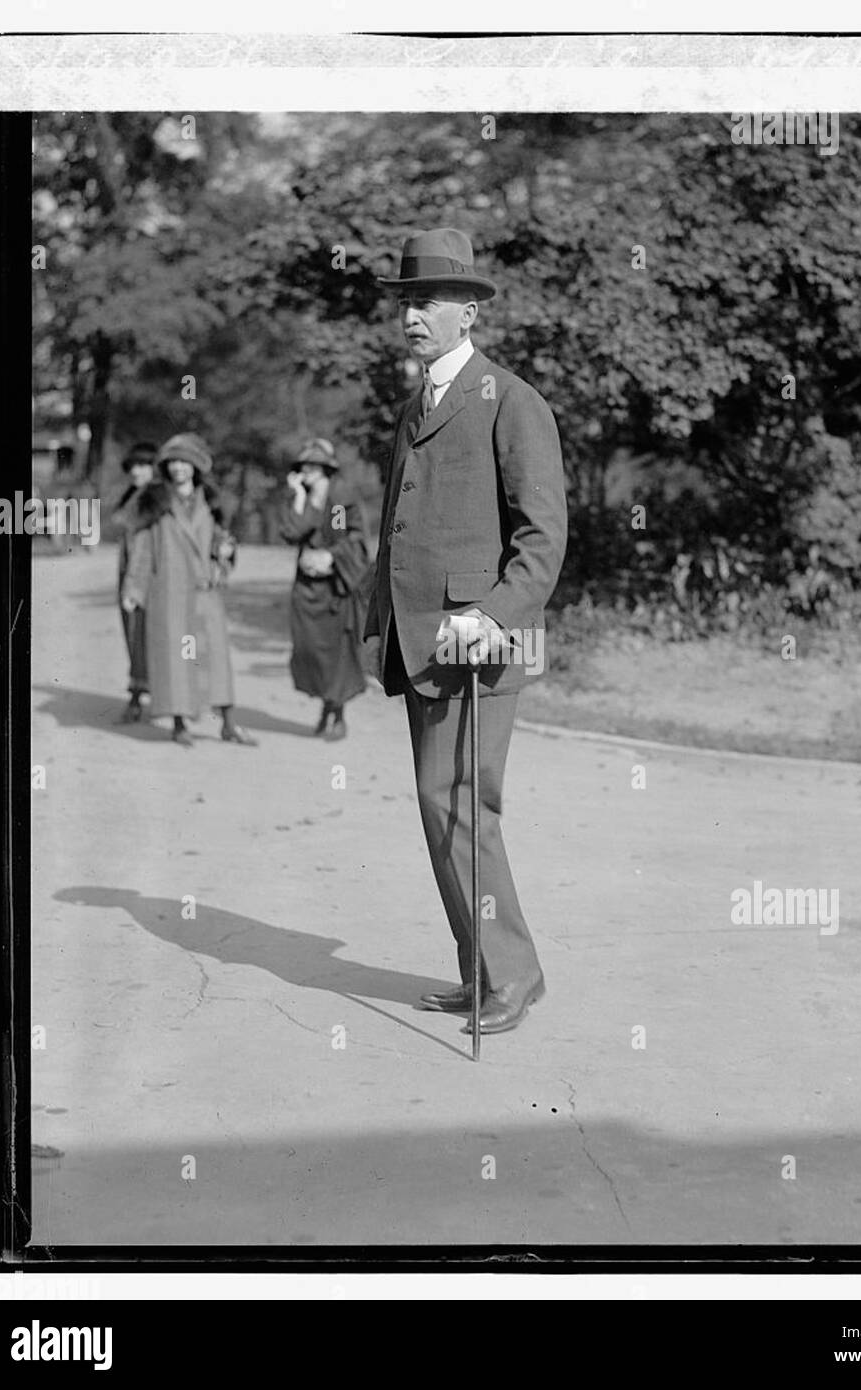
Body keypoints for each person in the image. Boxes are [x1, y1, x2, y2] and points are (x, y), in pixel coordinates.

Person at [365, 227, 568, 1036]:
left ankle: (513, 976)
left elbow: (542, 537)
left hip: (475, 643)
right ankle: (482, 972)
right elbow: (400, 526)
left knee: (459, 806)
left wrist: (492, 617)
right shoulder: (418, 403)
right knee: (437, 803)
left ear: (469, 312)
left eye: (427, 302)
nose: (412, 315)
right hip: (420, 640)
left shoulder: (512, 402)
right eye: (406, 302)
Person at [121, 432, 257, 749]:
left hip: (204, 593)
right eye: (173, 463)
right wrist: (134, 589)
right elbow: (142, 552)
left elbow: (222, 541)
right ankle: (180, 723)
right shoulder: (154, 502)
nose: (179, 468)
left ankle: (227, 722)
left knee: (216, 659)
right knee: (176, 660)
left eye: (186, 462)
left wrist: (222, 554)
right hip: (169, 594)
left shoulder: (210, 501)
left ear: (196, 467)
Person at [279, 438, 370, 741]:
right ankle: (326, 707)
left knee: (338, 653)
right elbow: (292, 532)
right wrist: (298, 499)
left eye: (314, 466)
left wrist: (331, 556)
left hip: (336, 586)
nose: (307, 471)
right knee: (311, 651)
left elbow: (353, 537)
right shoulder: (301, 497)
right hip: (307, 589)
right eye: (304, 466)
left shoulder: (340, 499)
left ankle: (338, 714)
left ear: (327, 469)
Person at [111, 441, 157, 722]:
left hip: (146, 575)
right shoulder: (134, 496)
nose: (137, 472)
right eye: (133, 467)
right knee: (133, 634)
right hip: (128, 571)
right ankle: (139, 693)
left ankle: (139, 696)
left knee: (143, 634)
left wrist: (134, 584)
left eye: (143, 465)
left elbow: (143, 547)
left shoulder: (155, 499)